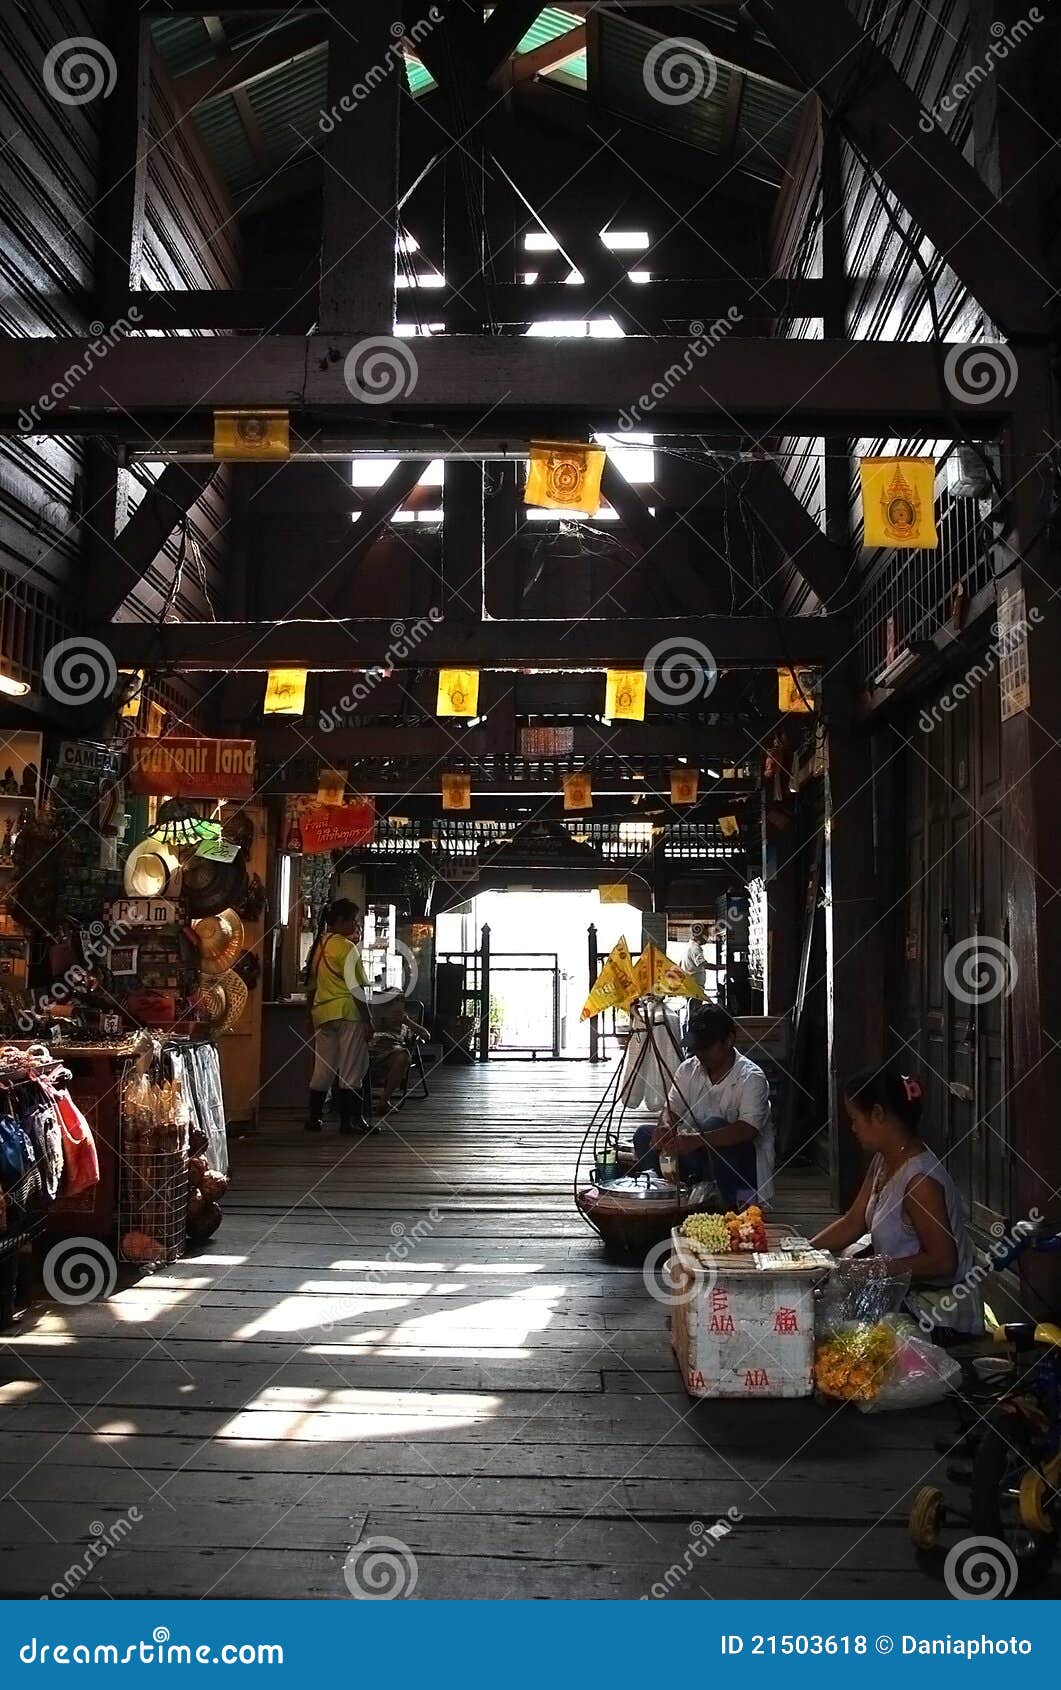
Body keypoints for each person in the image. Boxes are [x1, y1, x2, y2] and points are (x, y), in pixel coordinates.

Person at [810, 1065, 982, 1335]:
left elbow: (943, 1261)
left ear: (878, 1114)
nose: (853, 1127)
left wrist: (874, 1269)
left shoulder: (920, 1181)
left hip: (935, 1312)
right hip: (899, 1292)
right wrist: (802, 1254)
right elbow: (853, 1222)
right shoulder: (884, 1160)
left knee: (832, 1331)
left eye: (855, 1118)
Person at [632, 1005, 774, 1208]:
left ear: (729, 1040)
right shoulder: (688, 1069)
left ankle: (732, 1207)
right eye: (697, 1047)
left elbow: (747, 1130)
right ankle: (665, 1194)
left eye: (706, 1047)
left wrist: (698, 1140)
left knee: (713, 1124)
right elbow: (671, 1109)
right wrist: (665, 1126)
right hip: (699, 1157)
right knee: (644, 1135)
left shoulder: (751, 1077)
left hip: (739, 1167)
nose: (700, 1053)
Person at [305, 899, 369, 1136]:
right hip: (346, 1013)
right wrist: (368, 1020)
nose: (355, 924)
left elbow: (311, 986)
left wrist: (308, 1017)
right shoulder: (346, 947)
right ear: (341, 921)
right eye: (353, 919)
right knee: (352, 1067)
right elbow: (357, 989)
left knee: (323, 1067)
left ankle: (314, 1117)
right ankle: (351, 1121)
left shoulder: (319, 945)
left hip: (322, 1013)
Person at [368, 991, 429, 1112]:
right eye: (392, 1002)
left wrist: (407, 1021)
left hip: (391, 1052)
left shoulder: (405, 1023)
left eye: (399, 1001)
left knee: (403, 1055)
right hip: (367, 1050)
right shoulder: (373, 1018)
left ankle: (384, 1102)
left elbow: (426, 1035)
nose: (396, 1005)